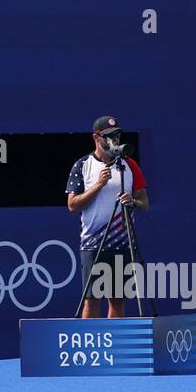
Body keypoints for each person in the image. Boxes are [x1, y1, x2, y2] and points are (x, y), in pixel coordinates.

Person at [66, 115, 149, 317]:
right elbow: (72, 205)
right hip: (93, 244)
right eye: (108, 136)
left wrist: (133, 202)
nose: (114, 140)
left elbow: (144, 204)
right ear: (96, 137)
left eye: (117, 135)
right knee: (92, 301)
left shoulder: (130, 166)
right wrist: (98, 186)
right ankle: (89, 348)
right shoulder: (82, 165)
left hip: (123, 244)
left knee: (118, 301)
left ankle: (114, 348)